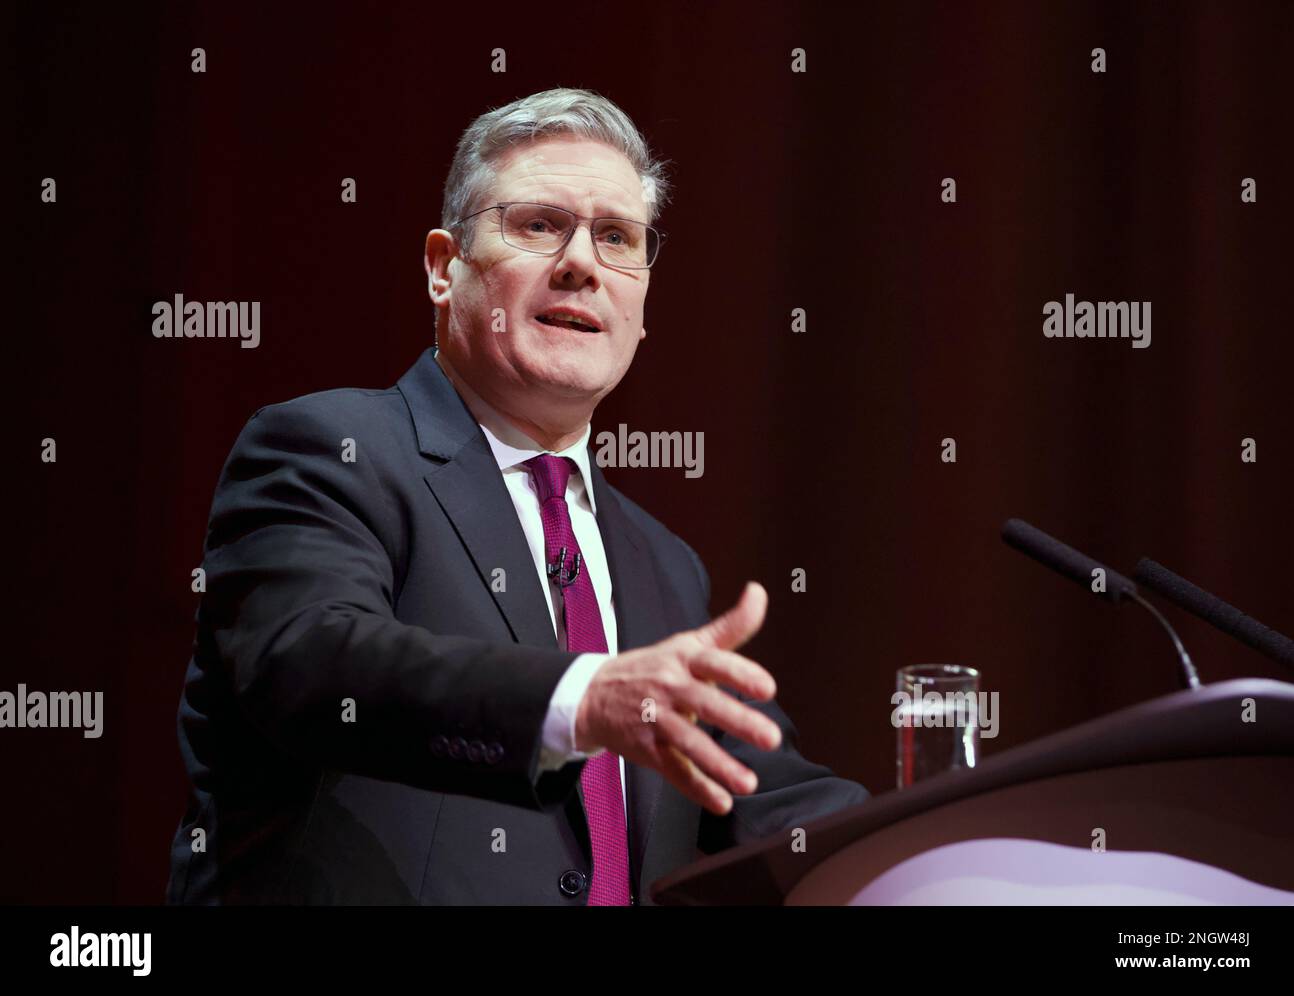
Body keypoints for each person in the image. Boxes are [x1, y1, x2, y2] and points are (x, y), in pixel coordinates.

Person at [167, 87, 869, 905]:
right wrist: (580, 700)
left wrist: (975, 846)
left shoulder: (662, 566)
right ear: (443, 268)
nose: (582, 263)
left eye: (616, 237)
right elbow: (318, 667)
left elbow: (774, 800)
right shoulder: (331, 452)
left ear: (642, 308)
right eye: (539, 225)